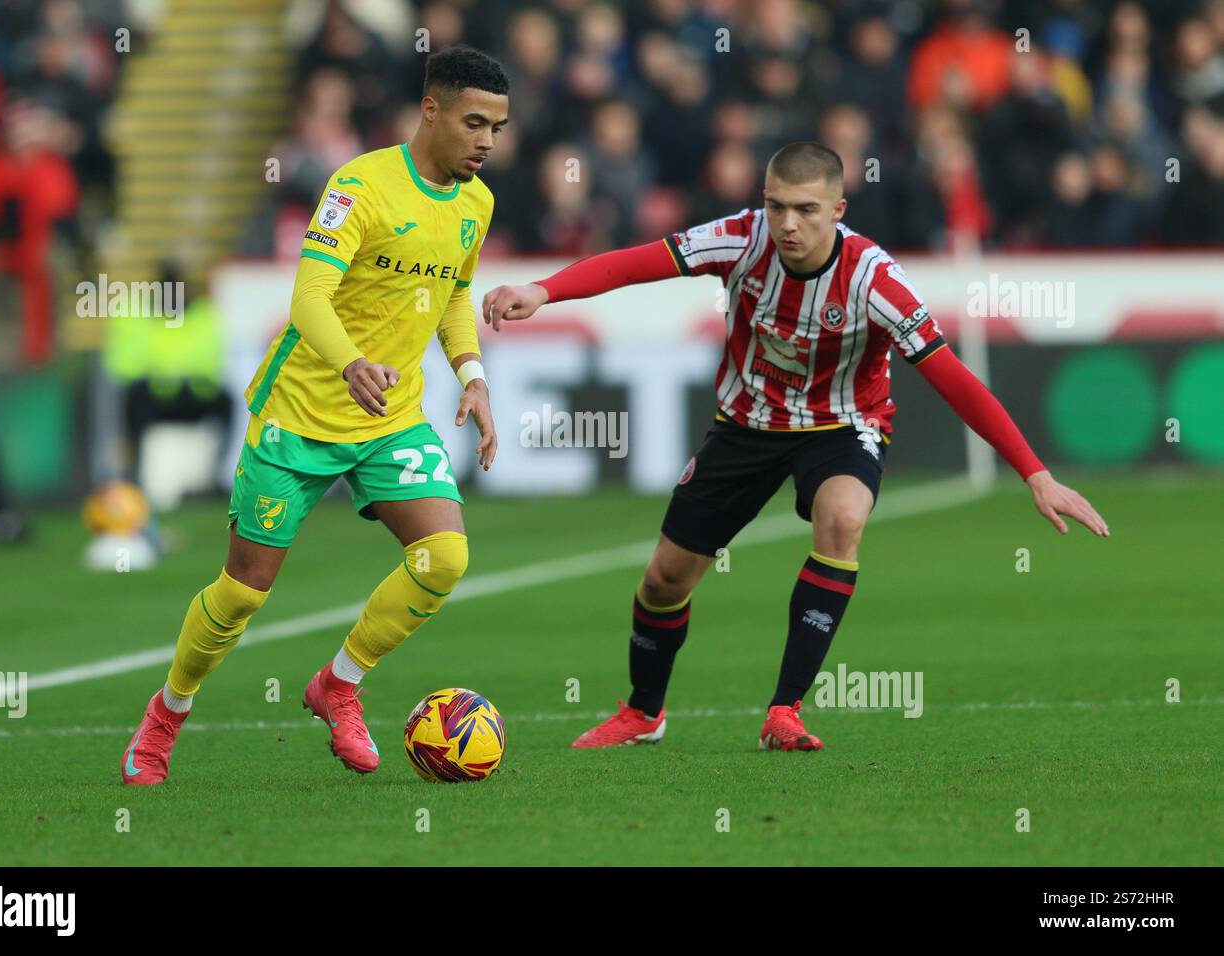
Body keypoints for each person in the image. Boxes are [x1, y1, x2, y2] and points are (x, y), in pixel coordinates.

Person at [483, 141, 1109, 752]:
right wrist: (544, 290)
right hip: (745, 427)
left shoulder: (874, 280)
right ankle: (643, 711)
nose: (787, 223)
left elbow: (953, 377)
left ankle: (784, 709)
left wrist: (1034, 473)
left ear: (838, 210)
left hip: (842, 428)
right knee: (664, 581)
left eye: (806, 210)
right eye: (776, 205)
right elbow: (636, 263)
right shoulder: (741, 237)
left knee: (841, 521)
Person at [120, 45, 508, 784]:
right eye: (475, 122)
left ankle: (340, 685)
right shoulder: (360, 185)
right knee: (240, 595)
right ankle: (166, 715)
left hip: (390, 420)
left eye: (497, 126)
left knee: (444, 557)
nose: (488, 141)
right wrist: (351, 361)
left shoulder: (477, 203)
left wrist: (473, 374)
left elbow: (454, 292)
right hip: (300, 416)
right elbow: (308, 299)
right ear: (431, 110)